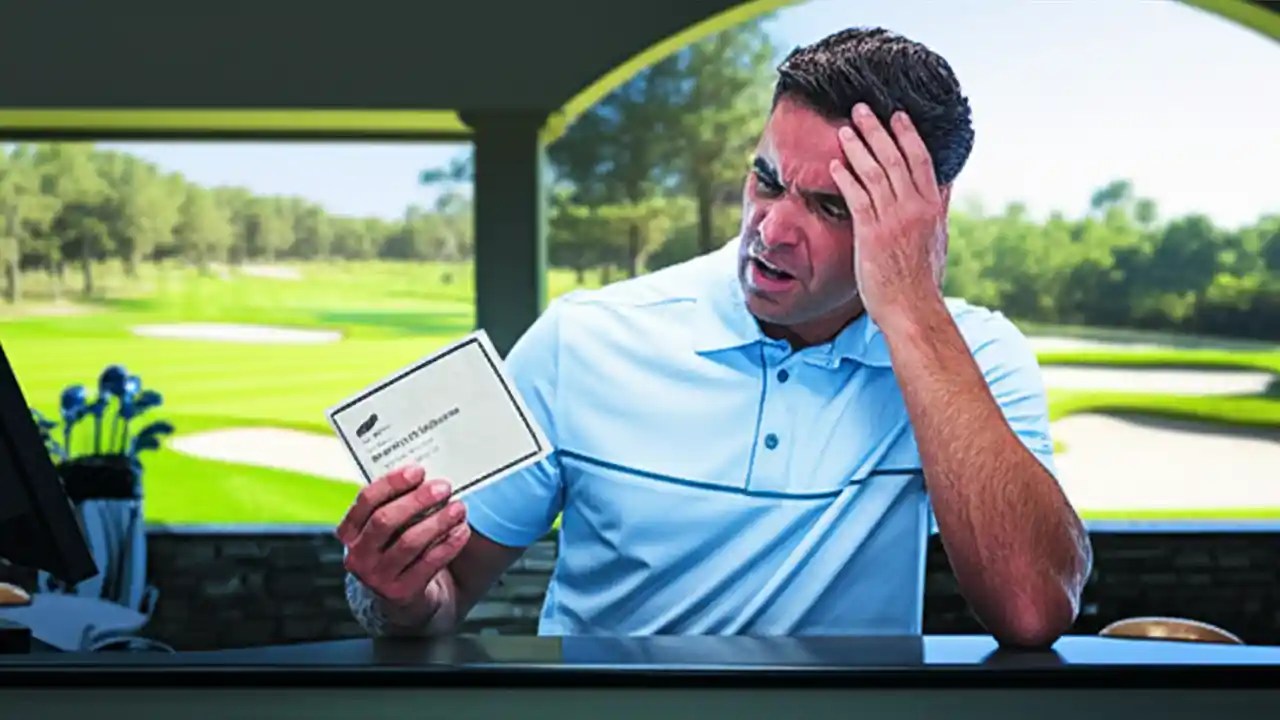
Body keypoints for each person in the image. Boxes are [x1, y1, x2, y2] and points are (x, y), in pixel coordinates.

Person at [336, 26, 1093, 647]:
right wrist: (397, 593)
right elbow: (441, 598)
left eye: (832, 209)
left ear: (922, 215)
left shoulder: (974, 357)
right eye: (766, 181)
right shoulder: (585, 339)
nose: (771, 231)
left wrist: (913, 313)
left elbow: (1032, 610)